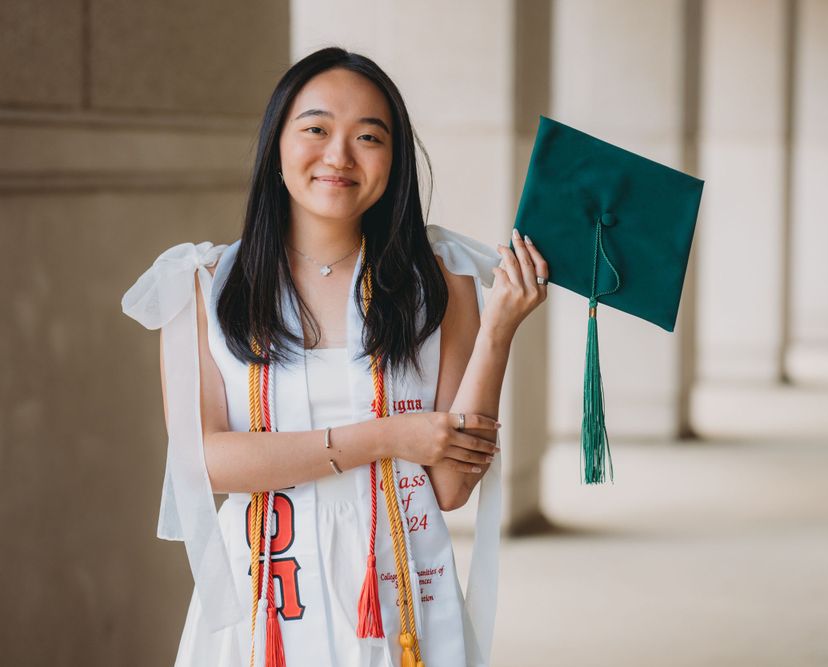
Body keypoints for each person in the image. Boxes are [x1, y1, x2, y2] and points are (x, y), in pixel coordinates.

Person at [122, 47, 548, 667]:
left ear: (394, 160)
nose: (339, 156)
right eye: (316, 129)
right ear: (276, 146)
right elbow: (204, 461)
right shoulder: (203, 282)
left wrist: (500, 328)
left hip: (402, 594)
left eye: (368, 136)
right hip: (269, 594)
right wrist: (387, 436)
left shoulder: (441, 281)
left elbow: (451, 485)